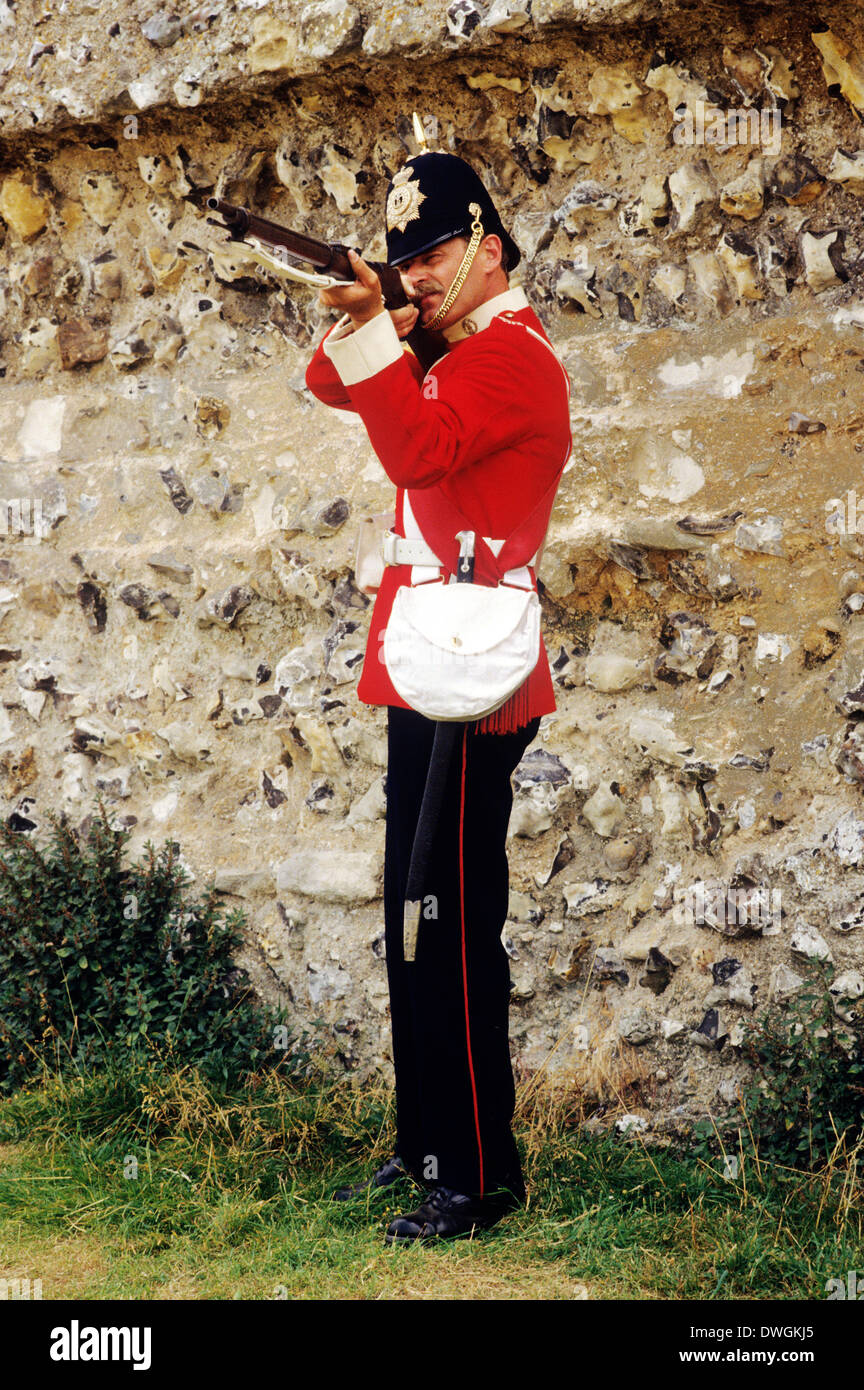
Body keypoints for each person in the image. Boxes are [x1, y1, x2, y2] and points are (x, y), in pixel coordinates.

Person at [305, 149, 572, 1244]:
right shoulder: (448, 347)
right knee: (410, 913)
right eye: (403, 258)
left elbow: (415, 449)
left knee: (455, 922)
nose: (415, 273)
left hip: (473, 669)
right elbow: (331, 382)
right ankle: (425, 1148)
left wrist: (391, 326)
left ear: (490, 250)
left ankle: (476, 1172)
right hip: (425, 655)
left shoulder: (508, 359)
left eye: (434, 254)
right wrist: (379, 314)